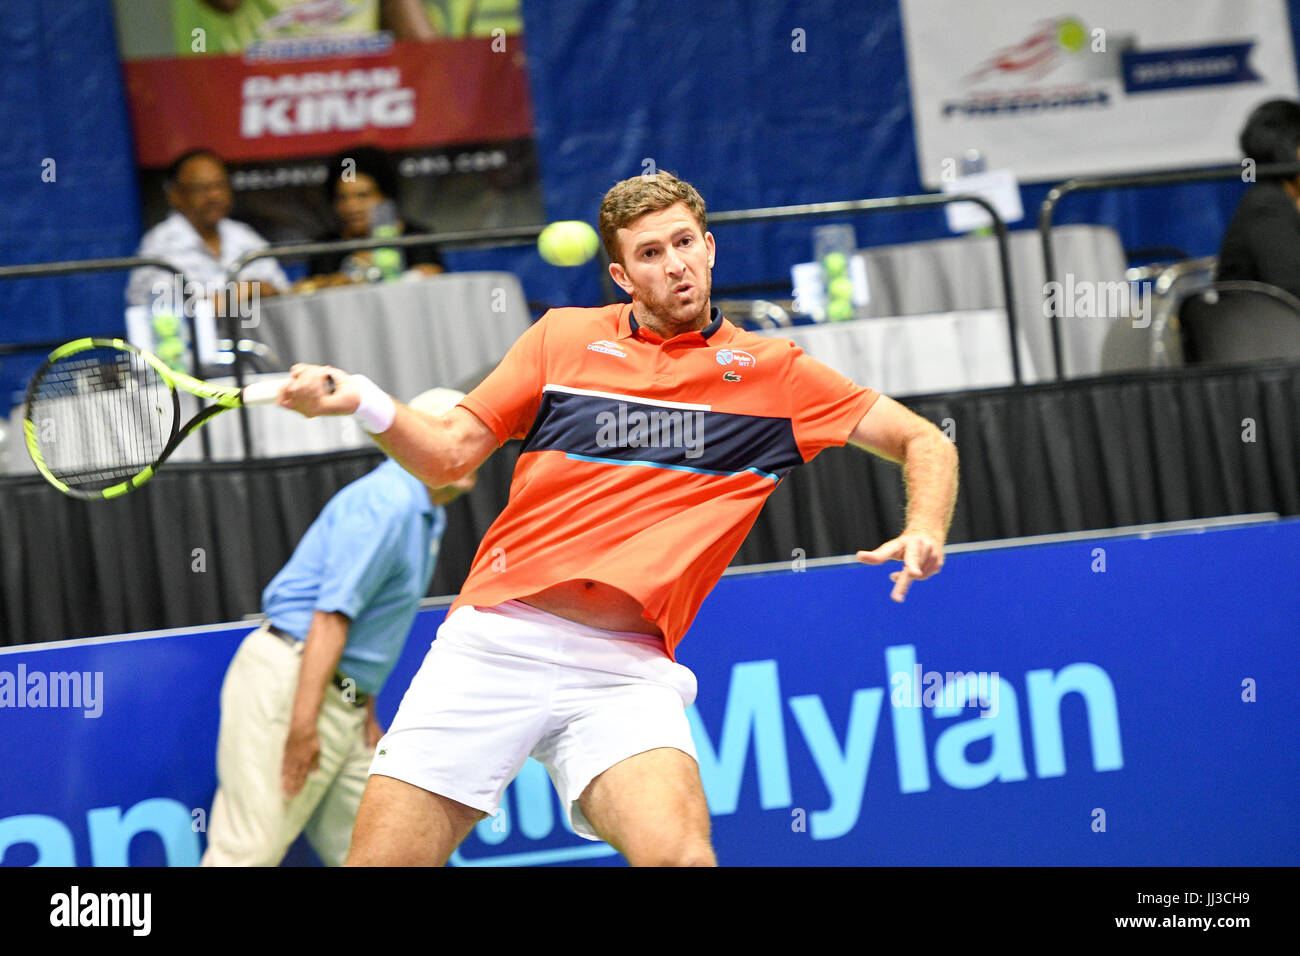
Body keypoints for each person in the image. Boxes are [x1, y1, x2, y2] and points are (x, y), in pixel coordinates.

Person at [278, 172, 959, 867]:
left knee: (681, 859)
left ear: (711, 247)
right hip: (495, 644)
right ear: (621, 274)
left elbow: (924, 439)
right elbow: (449, 454)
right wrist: (363, 400)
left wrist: (926, 527)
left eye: (685, 243)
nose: (675, 265)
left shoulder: (775, 373)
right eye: (651, 255)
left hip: (624, 670)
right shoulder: (560, 340)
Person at [200, 387, 477, 866]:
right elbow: (331, 616)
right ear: (425, 441)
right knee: (247, 853)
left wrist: (361, 705)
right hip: (293, 686)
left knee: (377, 853)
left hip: (340, 704)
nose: (476, 451)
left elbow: (369, 621)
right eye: (460, 437)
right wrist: (303, 726)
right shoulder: (388, 504)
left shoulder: (425, 511)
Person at [126, 149, 289, 310]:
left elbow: (283, 292)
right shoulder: (160, 245)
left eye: (220, 185)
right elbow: (164, 314)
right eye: (202, 188)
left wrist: (260, 290)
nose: (214, 196)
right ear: (175, 195)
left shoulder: (243, 235)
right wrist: (238, 294)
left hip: (253, 333)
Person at [297, 146, 444, 292]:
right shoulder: (326, 246)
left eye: (362, 196)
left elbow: (432, 279)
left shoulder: (415, 238)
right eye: (342, 198)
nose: (352, 207)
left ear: (386, 197)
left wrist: (359, 282)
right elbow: (314, 288)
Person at [1217, 99, 1300, 301]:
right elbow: (1291, 290)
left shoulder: (1286, 200)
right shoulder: (1267, 204)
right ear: (1287, 151)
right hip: (1263, 328)